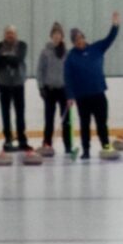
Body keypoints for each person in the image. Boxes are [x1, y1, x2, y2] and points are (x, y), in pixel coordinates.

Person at [63, 14, 121, 160]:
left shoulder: (97, 48)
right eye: (76, 40)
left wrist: (115, 25)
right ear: (73, 43)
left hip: (98, 93)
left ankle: (106, 146)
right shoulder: (71, 57)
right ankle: (86, 150)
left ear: (84, 37)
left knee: (102, 123)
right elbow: (68, 78)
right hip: (82, 97)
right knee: (85, 125)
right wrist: (70, 96)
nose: (79, 41)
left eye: (81, 38)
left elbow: (110, 39)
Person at [0, 26, 30, 151]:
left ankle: (22, 140)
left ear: (16, 34)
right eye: (8, 33)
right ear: (4, 35)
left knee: (20, 112)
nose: (10, 35)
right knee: (5, 113)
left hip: (18, 83)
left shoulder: (22, 45)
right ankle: (8, 139)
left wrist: (4, 58)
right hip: (4, 84)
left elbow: (19, 59)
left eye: (12, 33)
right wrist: (9, 59)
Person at [36, 22, 72, 155]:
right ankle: (47, 144)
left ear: (62, 36)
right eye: (54, 34)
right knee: (49, 119)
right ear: (51, 36)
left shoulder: (67, 53)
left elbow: (71, 72)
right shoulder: (45, 52)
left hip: (64, 90)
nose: (57, 37)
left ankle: (68, 145)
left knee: (66, 120)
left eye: (59, 34)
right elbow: (40, 71)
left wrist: (71, 91)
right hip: (50, 89)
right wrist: (41, 87)